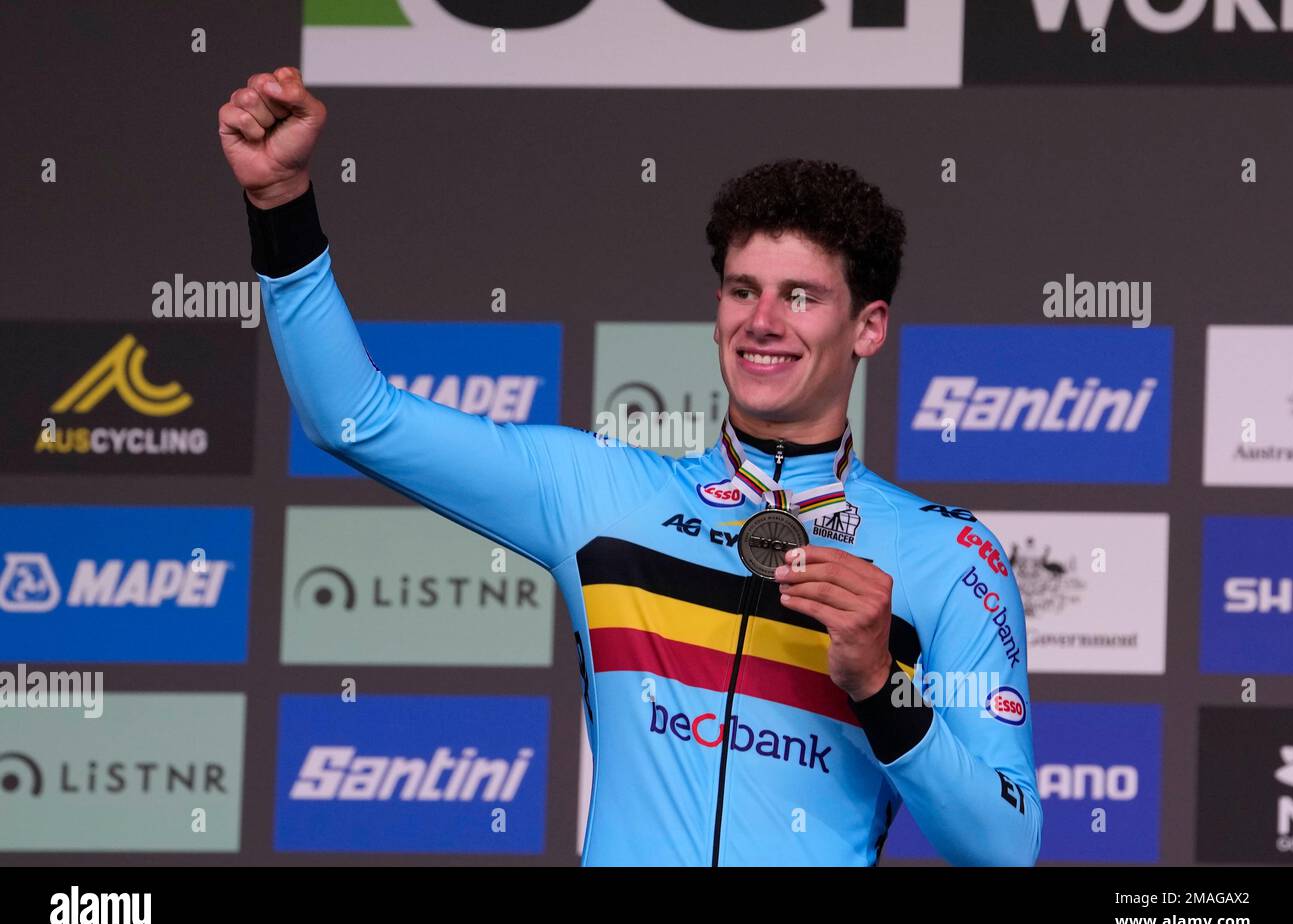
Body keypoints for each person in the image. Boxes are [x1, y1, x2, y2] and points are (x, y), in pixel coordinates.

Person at [219, 66, 1042, 866]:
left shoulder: (948, 558)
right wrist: (278, 204)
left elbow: (1006, 846)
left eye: (800, 296)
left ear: (868, 327)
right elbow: (353, 417)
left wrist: (879, 684)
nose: (761, 321)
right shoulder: (600, 493)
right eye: (741, 289)